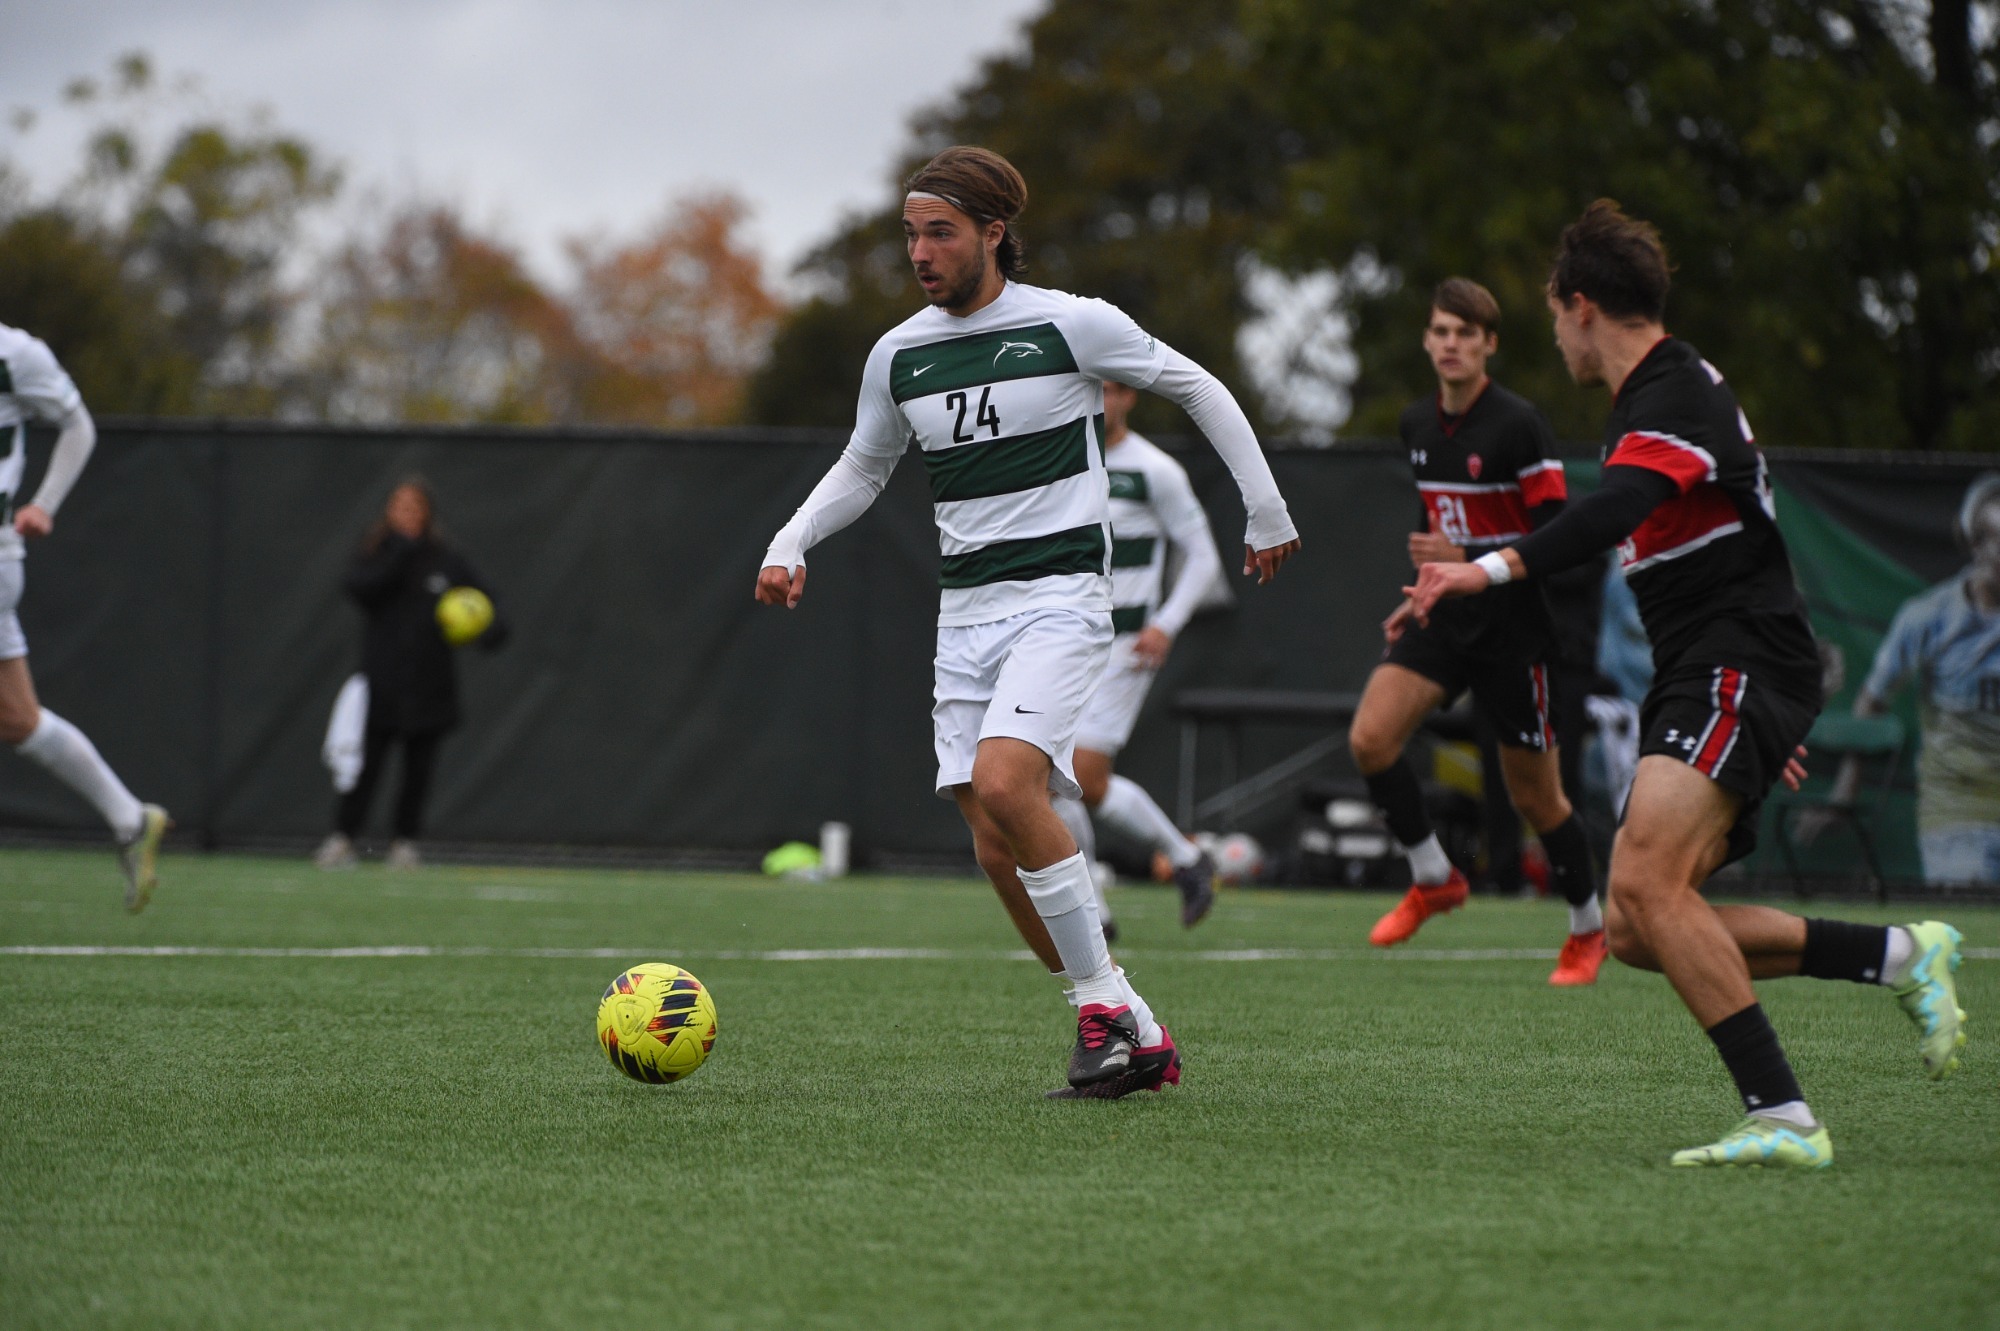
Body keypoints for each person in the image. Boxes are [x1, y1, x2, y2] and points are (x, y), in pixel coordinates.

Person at [1405, 200, 1966, 1168]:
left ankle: (1782, 1114)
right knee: (1634, 926)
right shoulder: (1652, 398)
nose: (1554, 335)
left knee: (1640, 883)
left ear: (1580, 306)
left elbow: (1610, 510)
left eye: (1553, 313)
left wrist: (1482, 568)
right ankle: (1898, 956)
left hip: (1733, 662)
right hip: (1717, 671)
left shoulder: (1672, 391)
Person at [756, 146, 1299, 1099]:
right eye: (911, 233)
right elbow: (864, 466)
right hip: (964, 615)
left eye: (940, 232)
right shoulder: (898, 354)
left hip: (1061, 599)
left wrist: (1265, 510)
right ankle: (1133, 1027)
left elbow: (1199, 387)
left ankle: (1101, 1012)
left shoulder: (1071, 323)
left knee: (1012, 784)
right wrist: (791, 537)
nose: (920, 252)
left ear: (993, 233)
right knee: (991, 842)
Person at [1358, 278, 1605, 985]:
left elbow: (1558, 536)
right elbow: (1436, 526)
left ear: (1489, 343)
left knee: (1537, 799)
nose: (1452, 344)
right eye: (1441, 331)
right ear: (1426, 340)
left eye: (1466, 333)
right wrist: (1423, 591)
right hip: (1446, 620)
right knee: (1371, 739)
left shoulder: (1520, 425)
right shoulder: (1416, 424)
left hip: (1513, 631)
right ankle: (1434, 877)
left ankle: (1588, 927)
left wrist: (1465, 557)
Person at [0, 321, 169, 912]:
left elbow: (77, 423)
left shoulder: (14, 352)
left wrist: (45, 504)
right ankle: (129, 818)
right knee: (17, 719)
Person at [1050, 378, 1224, 941]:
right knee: (1054, 778)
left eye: (1113, 389)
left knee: (1077, 775)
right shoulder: (1055, 457)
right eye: (1092, 387)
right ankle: (1148, 882)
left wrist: (1165, 624)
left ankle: (1118, 899)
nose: (1101, 399)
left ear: (1130, 397)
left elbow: (1203, 557)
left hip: (1123, 647)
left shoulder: (1155, 470)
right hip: (1056, 643)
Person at [314, 479, 506, 870]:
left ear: (427, 513)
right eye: (400, 506)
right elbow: (359, 588)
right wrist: (400, 552)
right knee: (365, 767)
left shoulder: (446, 560)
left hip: (429, 684)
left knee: (418, 771)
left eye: (414, 507)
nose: (407, 513)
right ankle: (344, 838)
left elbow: (490, 605)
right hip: (381, 682)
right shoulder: (377, 552)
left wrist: (487, 630)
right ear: (389, 511)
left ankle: (404, 843)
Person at [1821, 473, 2000, 883]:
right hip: (1957, 816)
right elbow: (1872, 701)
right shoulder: (1928, 617)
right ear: (1973, 543)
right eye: (1995, 538)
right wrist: (1844, 795)